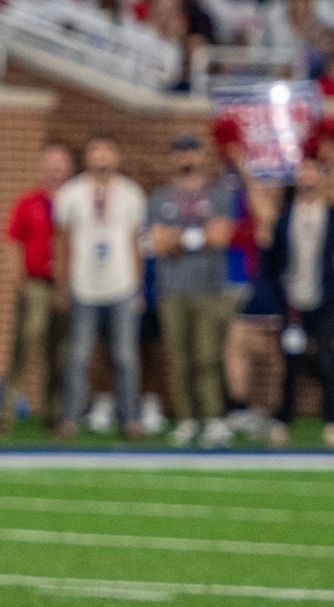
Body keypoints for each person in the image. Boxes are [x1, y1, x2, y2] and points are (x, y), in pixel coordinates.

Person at [55, 136, 148, 440]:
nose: (102, 157)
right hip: (83, 284)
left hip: (121, 283)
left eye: (108, 150)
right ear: (86, 157)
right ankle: (70, 418)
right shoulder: (70, 193)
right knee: (78, 356)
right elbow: (63, 243)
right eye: (96, 150)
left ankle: (132, 419)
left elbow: (136, 243)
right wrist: (62, 284)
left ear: (117, 156)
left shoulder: (132, 193)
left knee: (125, 356)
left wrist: (139, 287)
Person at [148, 133, 237, 447]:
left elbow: (221, 236)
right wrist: (197, 236)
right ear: (173, 157)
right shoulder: (160, 198)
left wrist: (180, 239)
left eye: (191, 151)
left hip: (210, 288)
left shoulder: (217, 195)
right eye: (180, 152)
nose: (186, 158)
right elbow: (157, 243)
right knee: (180, 359)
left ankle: (213, 418)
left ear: (200, 155)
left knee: (209, 357)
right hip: (173, 289)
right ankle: (187, 419)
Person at [251, 158, 334, 448]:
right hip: (293, 302)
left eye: (313, 172)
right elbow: (272, 260)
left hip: (325, 301)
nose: (307, 178)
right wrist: (279, 294)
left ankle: (330, 422)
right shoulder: (286, 216)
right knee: (290, 363)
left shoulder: (330, 215)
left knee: (326, 361)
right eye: (303, 173)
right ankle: (283, 421)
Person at [0, 143, 74, 433]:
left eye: (61, 162)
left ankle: (54, 413)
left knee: (60, 351)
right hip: (36, 282)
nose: (55, 168)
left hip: (65, 284)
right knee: (27, 340)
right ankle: (5, 411)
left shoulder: (75, 200)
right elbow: (12, 240)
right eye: (50, 162)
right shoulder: (29, 201)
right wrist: (19, 279)